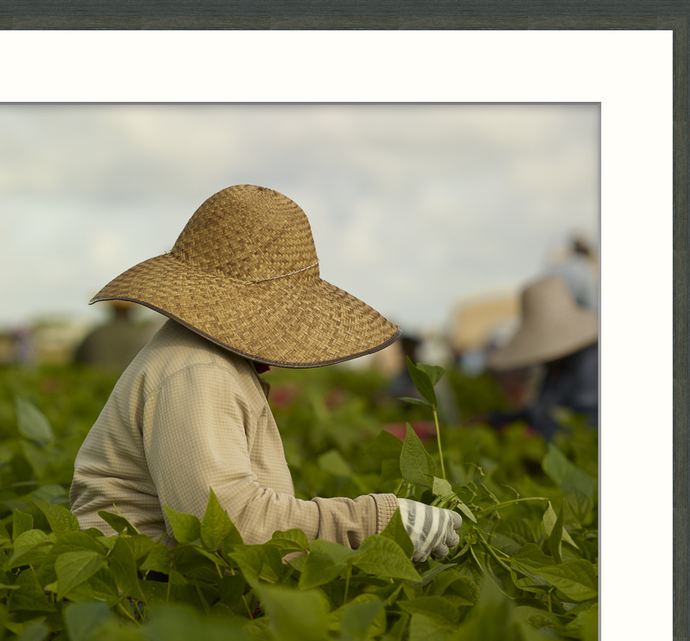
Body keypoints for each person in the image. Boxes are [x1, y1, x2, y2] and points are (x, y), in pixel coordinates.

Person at [69, 185, 461, 562]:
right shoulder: (199, 370)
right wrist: (376, 522)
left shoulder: (207, 360)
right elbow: (229, 529)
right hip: (146, 594)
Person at [486, 274, 598, 439]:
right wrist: (495, 420)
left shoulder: (589, 364)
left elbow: (588, 423)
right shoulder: (555, 368)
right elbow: (540, 415)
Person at [73, 299, 157, 371]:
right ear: (131, 310)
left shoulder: (96, 333)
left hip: (96, 381)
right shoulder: (141, 335)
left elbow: (77, 362)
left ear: (112, 309)